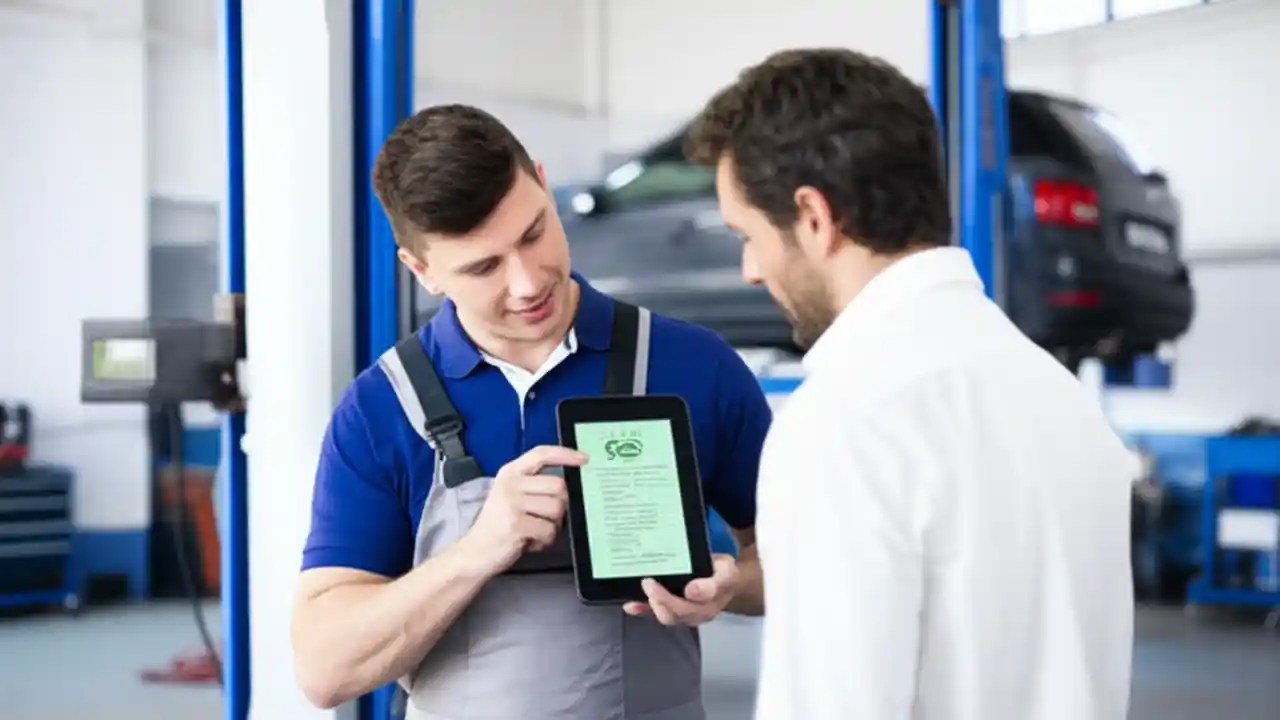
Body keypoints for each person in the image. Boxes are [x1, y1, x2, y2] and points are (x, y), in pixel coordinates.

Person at [686, 48, 1138, 719]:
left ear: (813, 216)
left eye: (747, 234)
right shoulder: (1061, 398)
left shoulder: (844, 423)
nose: (751, 269)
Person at [290, 103, 771, 719]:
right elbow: (325, 669)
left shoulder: (693, 367)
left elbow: (803, 563)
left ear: (542, 182)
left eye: (533, 233)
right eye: (484, 266)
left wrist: (733, 584)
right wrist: (478, 551)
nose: (527, 283)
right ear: (422, 270)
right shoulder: (381, 409)